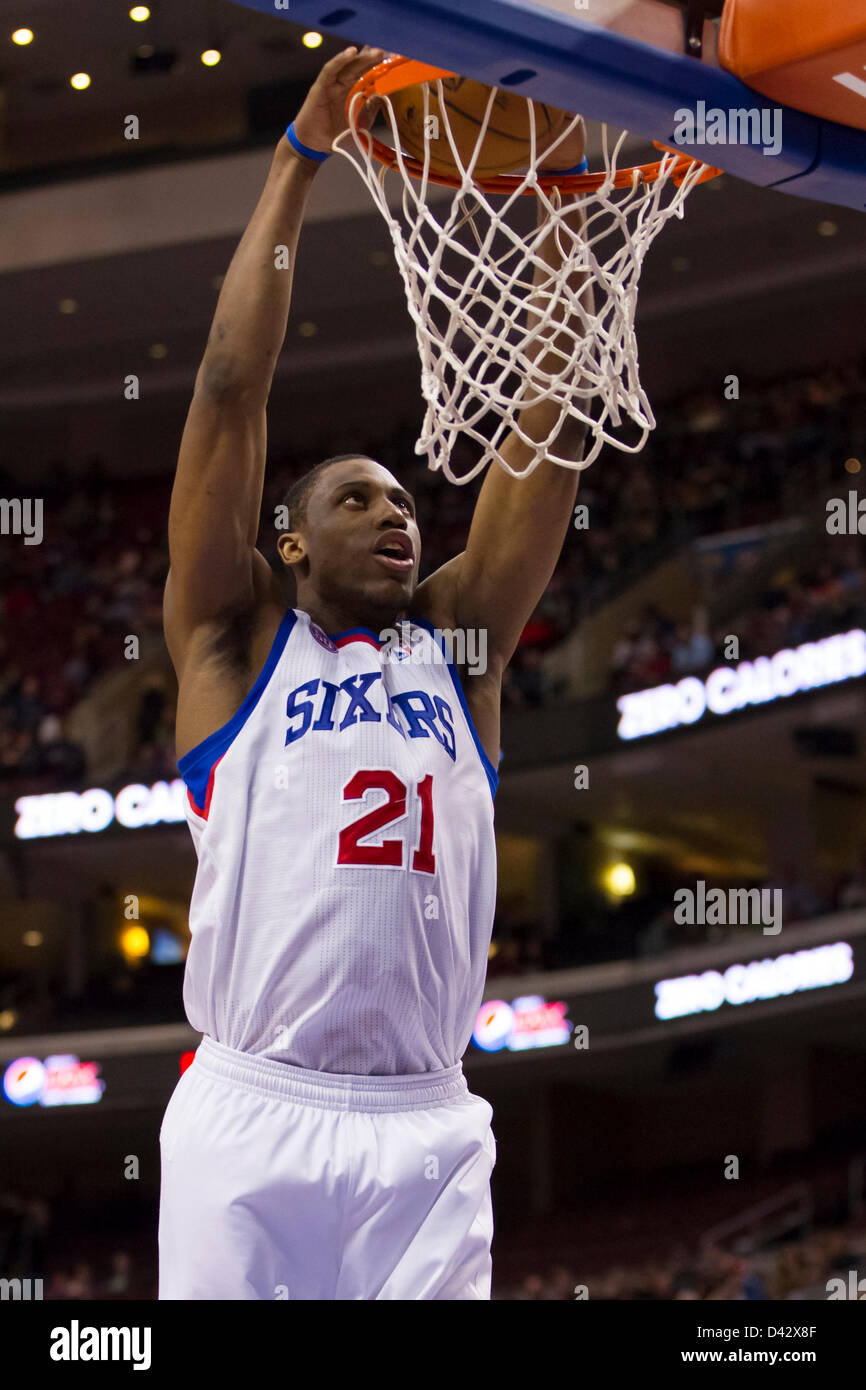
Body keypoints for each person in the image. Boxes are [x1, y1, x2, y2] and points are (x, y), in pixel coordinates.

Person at [159, 45, 590, 1300]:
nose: (395, 514)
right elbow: (230, 387)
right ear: (289, 540)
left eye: (405, 499)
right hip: (252, 1109)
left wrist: (567, 211)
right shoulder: (234, 641)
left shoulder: (458, 649)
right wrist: (298, 160)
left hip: (425, 1122)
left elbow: (550, 429)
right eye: (356, 498)